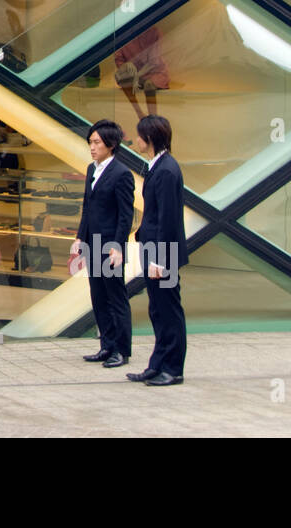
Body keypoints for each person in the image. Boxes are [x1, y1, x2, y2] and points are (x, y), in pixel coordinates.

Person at [127, 115, 188, 386]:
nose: (136, 140)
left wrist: (161, 260)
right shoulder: (157, 166)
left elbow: (168, 218)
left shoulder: (165, 169)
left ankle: (173, 369)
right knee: (157, 310)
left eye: (140, 135)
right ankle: (157, 363)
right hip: (153, 248)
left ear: (150, 138)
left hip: (162, 253)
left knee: (168, 310)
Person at [74, 120, 134, 368]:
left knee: (115, 297)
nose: (92, 146)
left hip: (110, 246)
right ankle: (106, 345)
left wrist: (118, 245)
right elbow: (87, 207)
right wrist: (80, 236)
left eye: (97, 142)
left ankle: (122, 350)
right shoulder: (92, 169)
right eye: (90, 142)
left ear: (111, 144)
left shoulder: (122, 174)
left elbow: (126, 215)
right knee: (98, 296)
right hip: (92, 242)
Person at [114, 25, 168, 119]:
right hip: (134, 75)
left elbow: (153, 62)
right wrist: (127, 65)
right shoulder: (122, 35)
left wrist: (136, 76)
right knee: (123, 80)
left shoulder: (153, 32)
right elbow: (119, 60)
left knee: (149, 85)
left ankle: (153, 118)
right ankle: (140, 114)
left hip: (155, 72)